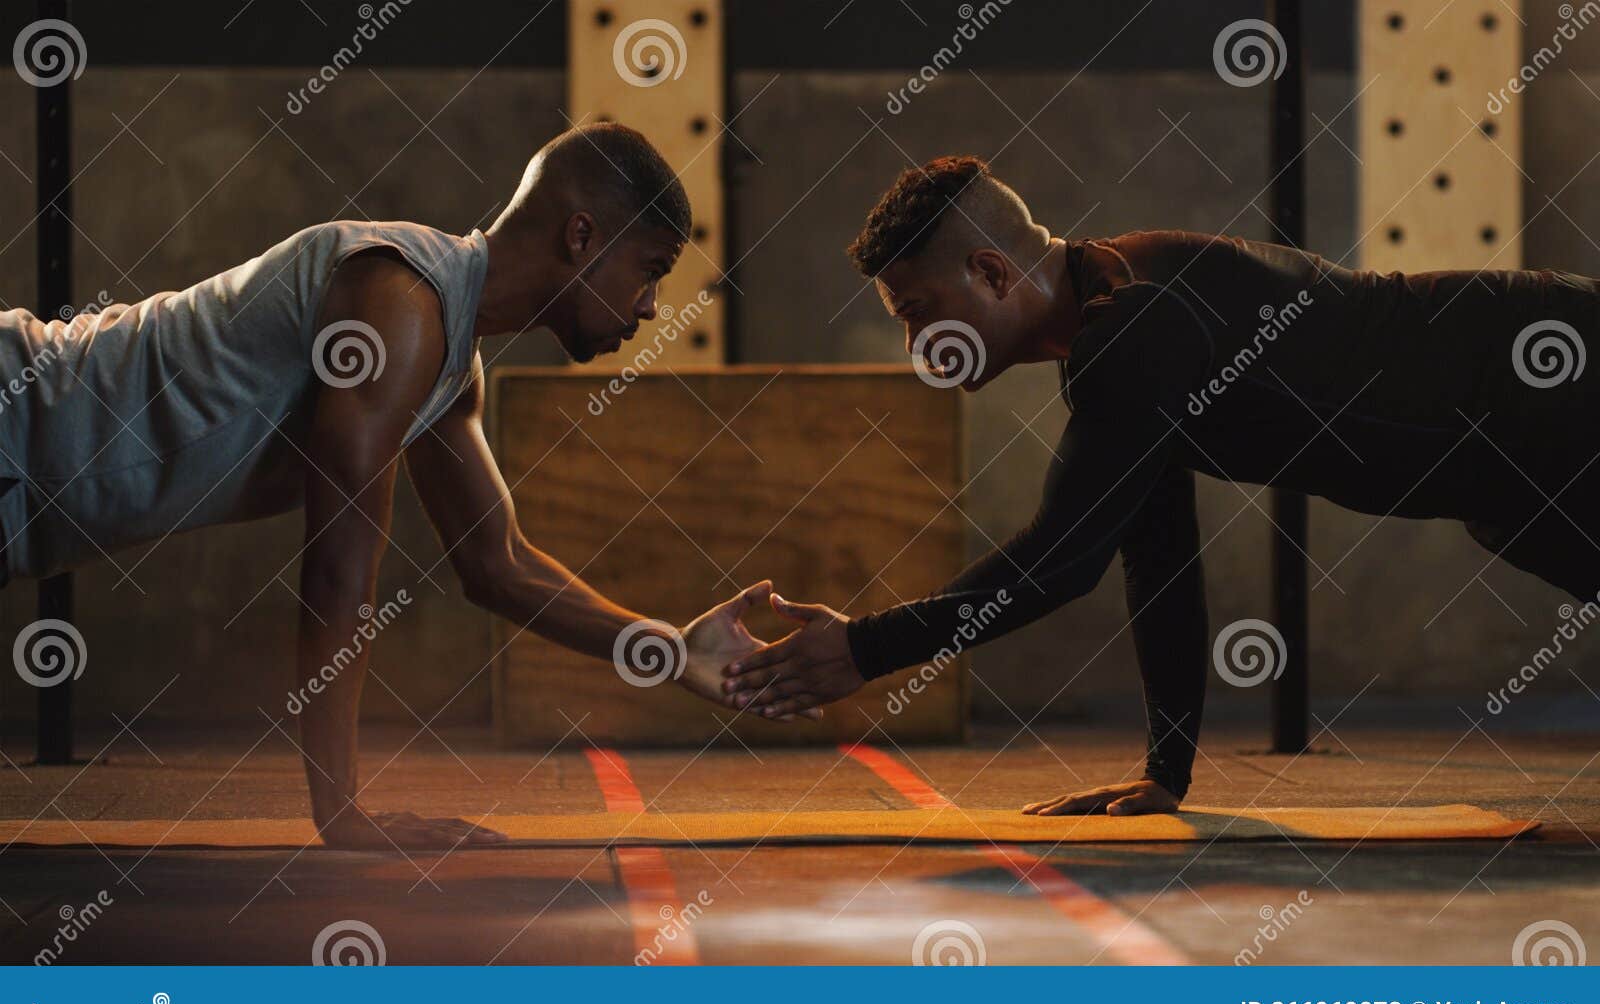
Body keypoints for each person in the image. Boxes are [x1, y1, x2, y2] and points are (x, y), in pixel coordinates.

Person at [721, 154, 1600, 816]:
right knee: (1523, 528)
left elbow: (1058, 563)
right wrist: (1165, 772)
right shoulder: (1120, 323)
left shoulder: (1129, 328)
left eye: (918, 313)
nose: (919, 347)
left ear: (990, 273)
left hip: (1547, 371)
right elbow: (1158, 553)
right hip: (1512, 456)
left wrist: (865, 650)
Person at [1, 123, 785, 849]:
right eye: (650, 272)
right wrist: (342, 812)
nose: (651, 308)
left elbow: (497, 563)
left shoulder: (447, 356)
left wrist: (670, 649)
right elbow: (338, 573)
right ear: (582, 236)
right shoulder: (399, 304)